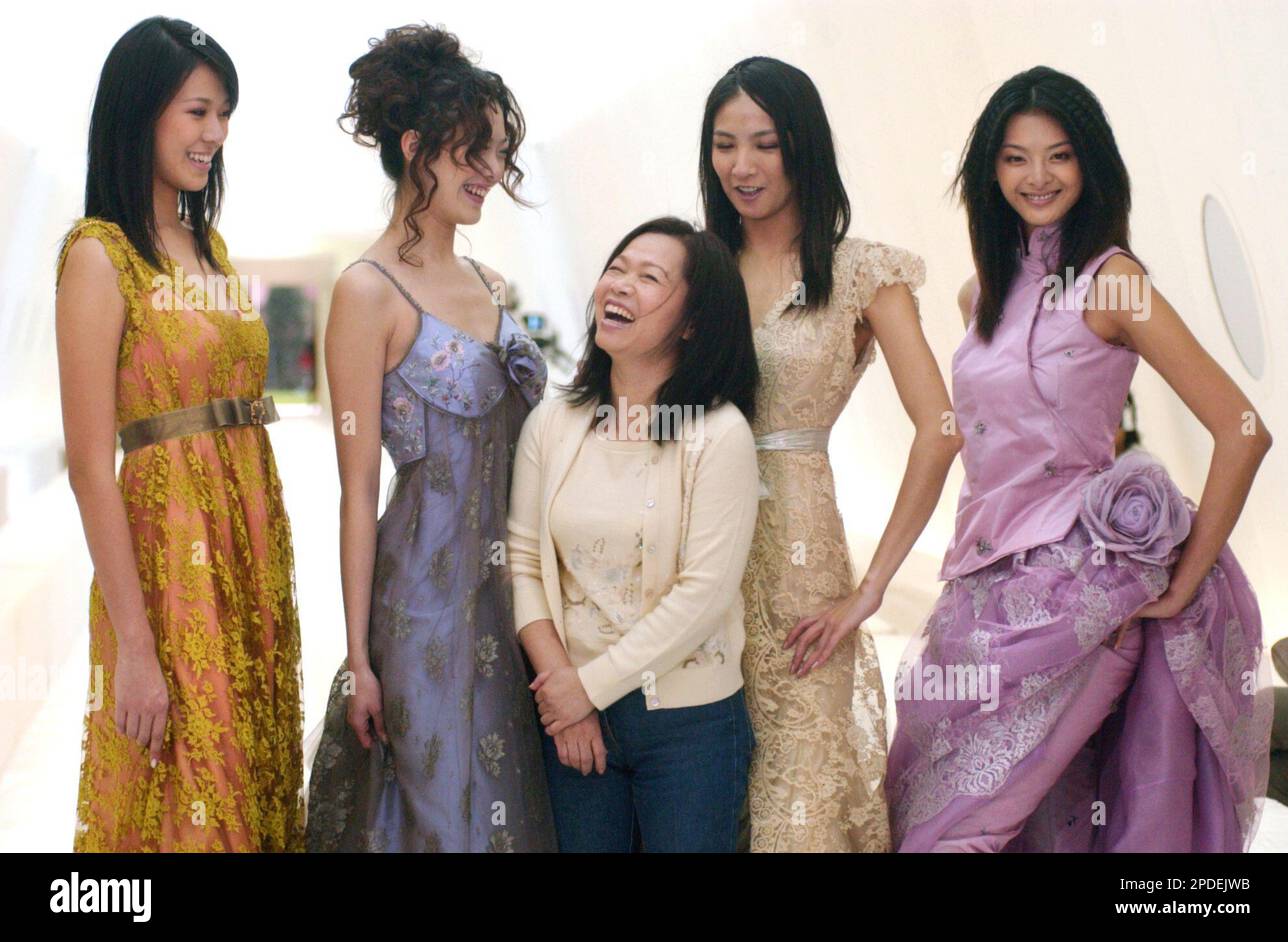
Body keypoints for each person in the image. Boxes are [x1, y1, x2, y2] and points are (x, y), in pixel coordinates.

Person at [886, 65, 1273, 852]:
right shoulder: (977, 295)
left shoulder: (1113, 281)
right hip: (976, 590)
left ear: (1090, 164)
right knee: (1028, 825)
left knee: (959, 834)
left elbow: (1242, 428)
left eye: (1059, 155)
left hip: (1076, 594)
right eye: (1015, 157)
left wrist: (1184, 580)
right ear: (989, 171)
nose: (1037, 176)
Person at [700, 56, 961, 851]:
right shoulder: (694, 266)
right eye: (723, 144)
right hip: (693, 560)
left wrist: (870, 591)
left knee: (797, 803)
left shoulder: (861, 272)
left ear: (802, 147)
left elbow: (941, 427)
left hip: (797, 571)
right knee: (712, 802)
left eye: (766, 143)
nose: (742, 166)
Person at [56, 16, 304, 851]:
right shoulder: (100, 255)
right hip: (173, 567)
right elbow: (91, 465)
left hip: (250, 552)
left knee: (253, 774)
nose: (216, 135)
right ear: (142, 112)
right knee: (189, 794)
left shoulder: (210, 246)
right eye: (198, 111)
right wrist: (134, 643)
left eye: (223, 114)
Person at [305, 24, 554, 853]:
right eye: (472, 151)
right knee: (443, 818)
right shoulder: (366, 293)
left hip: (516, 602)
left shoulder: (490, 282)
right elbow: (356, 489)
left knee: (515, 814)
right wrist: (358, 657)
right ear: (415, 149)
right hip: (421, 608)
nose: (491, 171)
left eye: (499, 152)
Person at [509, 217, 761, 852]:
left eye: (649, 278)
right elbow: (522, 561)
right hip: (572, 717)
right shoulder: (555, 418)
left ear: (693, 322)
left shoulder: (719, 432)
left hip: (689, 725)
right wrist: (566, 692)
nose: (619, 286)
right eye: (616, 268)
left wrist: (584, 690)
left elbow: (704, 594)